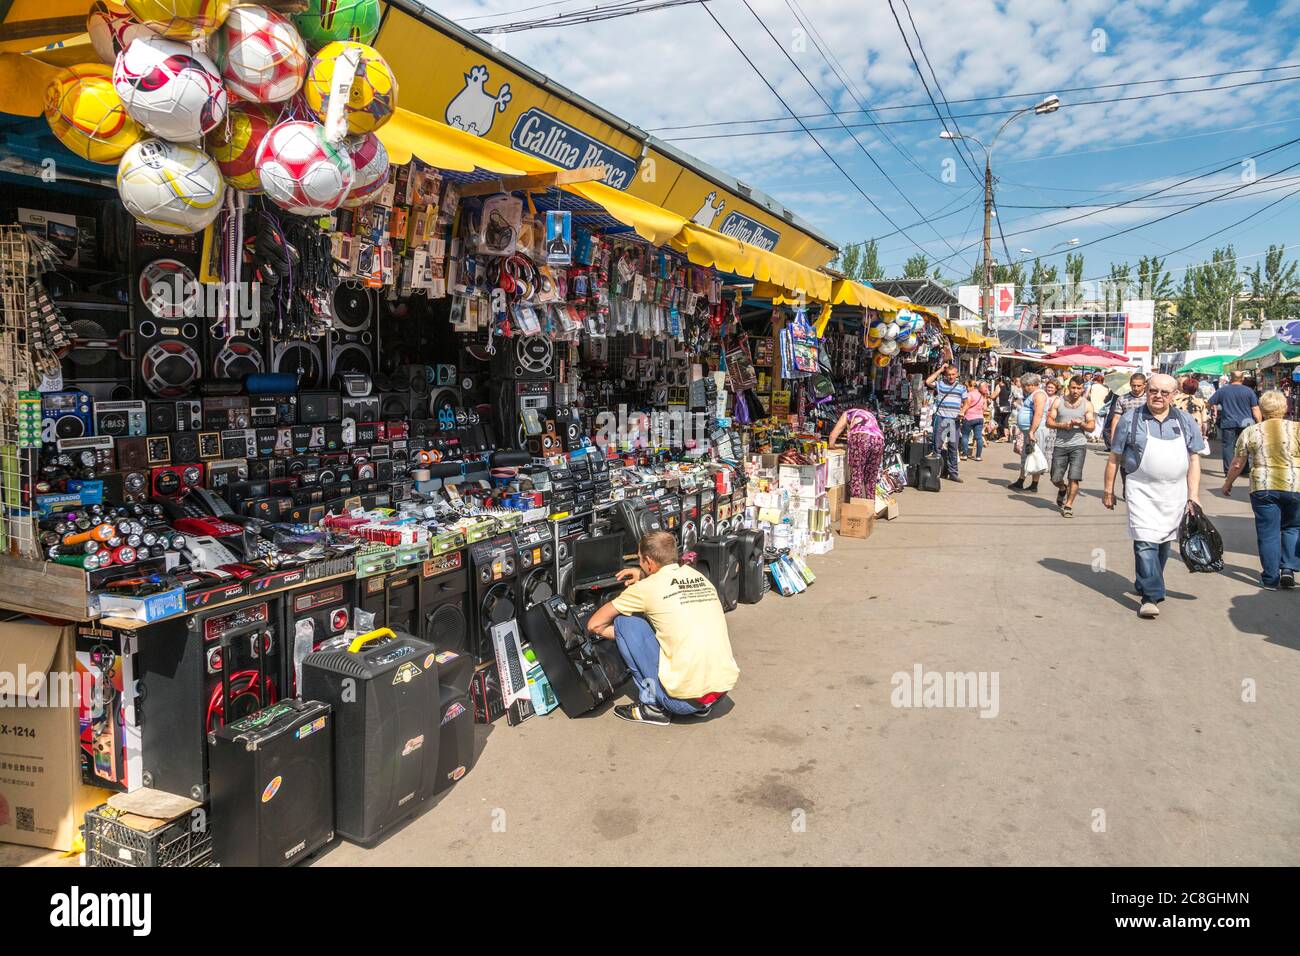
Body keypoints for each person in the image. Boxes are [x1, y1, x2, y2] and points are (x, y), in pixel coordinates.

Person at [585, 531, 740, 725]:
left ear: (649, 561)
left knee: (625, 623)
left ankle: (653, 707)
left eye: (640, 561)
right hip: (719, 691)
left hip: (682, 703)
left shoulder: (645, 589)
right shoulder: (696, 575)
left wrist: (627, 638)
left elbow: (595, 625)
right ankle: (700, 705)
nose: (640, 565)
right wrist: (643, 575)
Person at [1103, 373, 1206, 619]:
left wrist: (1194, 495)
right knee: (1145, 538)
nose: (1158, 396)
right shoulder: (1130, 419)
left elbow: (1194, 458)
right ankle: (1151, 595)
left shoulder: (1185, 421)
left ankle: (1146, 581)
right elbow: (1115, 457)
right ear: (1147, 391)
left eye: (1164, 392)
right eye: (1153, 391)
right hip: (1140, 490)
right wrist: (1108, 490)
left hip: (1175, 492)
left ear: (1174, 395)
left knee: (1163, 541)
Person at [1221, 389, 1300, 589]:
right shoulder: (1297, 429)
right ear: (1286, 407)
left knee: (1268, 533)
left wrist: (1228, 483)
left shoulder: (1251, 431)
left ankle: (1270, 579)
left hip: (1263, 487)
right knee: (1292, 527)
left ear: (1262, 409)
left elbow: (1237, 463)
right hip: (1295, 485)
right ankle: (1288, 568)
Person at [1047, 374, 1096, 517]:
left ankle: (1068, 505)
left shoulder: (1087, 404)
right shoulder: (1058, 401)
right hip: (1060, 445)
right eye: (1073, 387)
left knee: (1074, 477)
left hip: (1078, 445)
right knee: (1055, 478)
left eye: (1079, 388)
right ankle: (1062, 488)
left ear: (1082, 389)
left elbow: (1092, 426)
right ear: (1068, 387)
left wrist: (1082, 424)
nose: (1075, 391)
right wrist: (1063, 425)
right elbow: (1049, 421)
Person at [1208, 371, 1261, 475]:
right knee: (1245, 446)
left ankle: (1228, 470)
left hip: (1228, 422)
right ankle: (1244, 469)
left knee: (1228, 447)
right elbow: (1255, 408)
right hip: (1247, 423)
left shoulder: (1223, 390)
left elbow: (1210, 403)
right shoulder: (1249, 391)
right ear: (1242, 379)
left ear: (1230, 378)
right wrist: (1259, 423)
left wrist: (1213, 412)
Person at [924, 353, 967, 483]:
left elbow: (966, 402)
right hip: (941, 418)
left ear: (957, 374)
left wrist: (963, 411)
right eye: (949, 374)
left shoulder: (961, 388)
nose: (951, 376)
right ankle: (935, 473)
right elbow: (927, 381)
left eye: (953, 374)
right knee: (937, 446)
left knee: (953, 447)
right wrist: (940, 369)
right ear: (946, 374)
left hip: (953, 421)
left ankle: (953, 473)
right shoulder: (941, 384)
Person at [829, 405, 885, 500]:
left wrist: (831, 445)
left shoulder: (848, 413)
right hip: (879, 440)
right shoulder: (870, 415)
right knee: (871, 477)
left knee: (857, 473)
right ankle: (870, 507)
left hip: (861, 438)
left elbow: (835, 432)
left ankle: (857, 506)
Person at [1009, 372, 1049, 492]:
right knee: (1026, 455)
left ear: (1030, 385)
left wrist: (1032, 431)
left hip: (1036, 431)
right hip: (1030, 431)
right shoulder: (1034, 394)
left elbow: (1038, 414)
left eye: (1024, 386)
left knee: (1034, 455)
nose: (1023, 389)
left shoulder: (1039, 395)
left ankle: (1034, 485)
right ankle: (1021, 481)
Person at [1106, 372, 1148, 447]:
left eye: (1139, 386)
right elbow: (1116, 418)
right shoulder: (1122, 398)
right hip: (1126, 435)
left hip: (1145, 434)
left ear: (1144, 385)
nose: (1136, 388)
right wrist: (1113, 437)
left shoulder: (1149, 398)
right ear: (1130, 384)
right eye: (1133, 385)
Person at [1172, 375, 1210, 440]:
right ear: (1196, 389)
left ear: (1183, 387)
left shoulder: (1174, 400)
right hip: (1195, 431)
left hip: (1178, 431)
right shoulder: (1200, 402)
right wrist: (1204, 434)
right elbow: (1204, 422)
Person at [961, 377, 987, 461]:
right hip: (979, 418)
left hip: (969, 417)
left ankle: (965, 455)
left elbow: (967, 405)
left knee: (965, 436)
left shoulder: (970, 394)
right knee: (978, 437)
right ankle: (978, 456)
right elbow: (985, 408)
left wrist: (961, 412)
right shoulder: (982, 396)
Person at [992, 376, 1013, 441]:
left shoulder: (999, 387)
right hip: (1008, 406)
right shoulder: (1009, 387)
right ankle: (1007, 436)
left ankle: (1002, 435)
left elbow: (993, 396)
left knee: (999, 422)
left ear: (1000, 381)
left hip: (1002, 406)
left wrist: (991, 396)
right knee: (1005, 422)